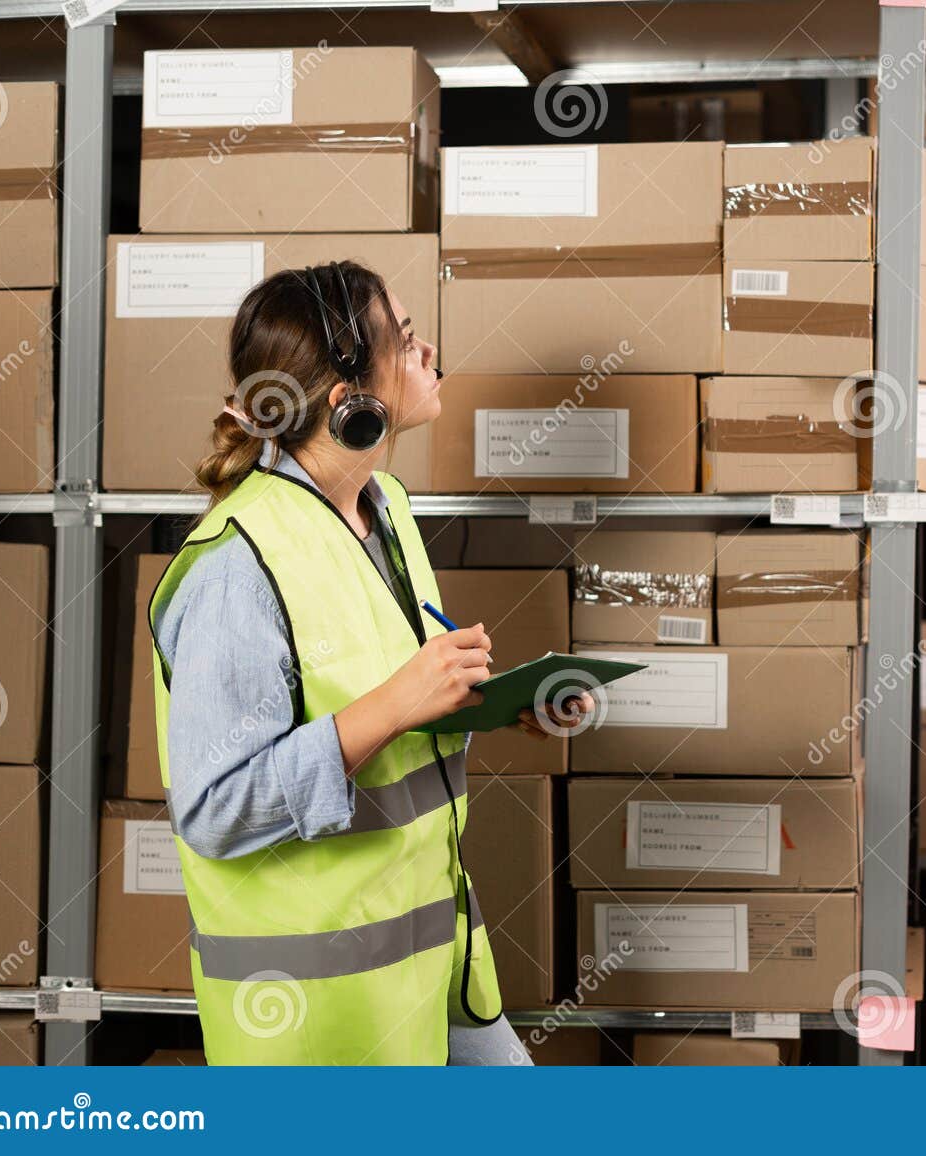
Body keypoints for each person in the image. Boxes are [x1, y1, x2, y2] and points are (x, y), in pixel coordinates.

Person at [148, 260, 589, 1065]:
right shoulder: (236, 568)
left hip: (434, 965)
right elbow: (213, 809)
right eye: (408, 341)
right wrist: (395, 703)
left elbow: (380, 697)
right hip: (323, 1015)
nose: (429, 356)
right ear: (351, 401)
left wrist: (490, 701)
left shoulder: (383, 512)